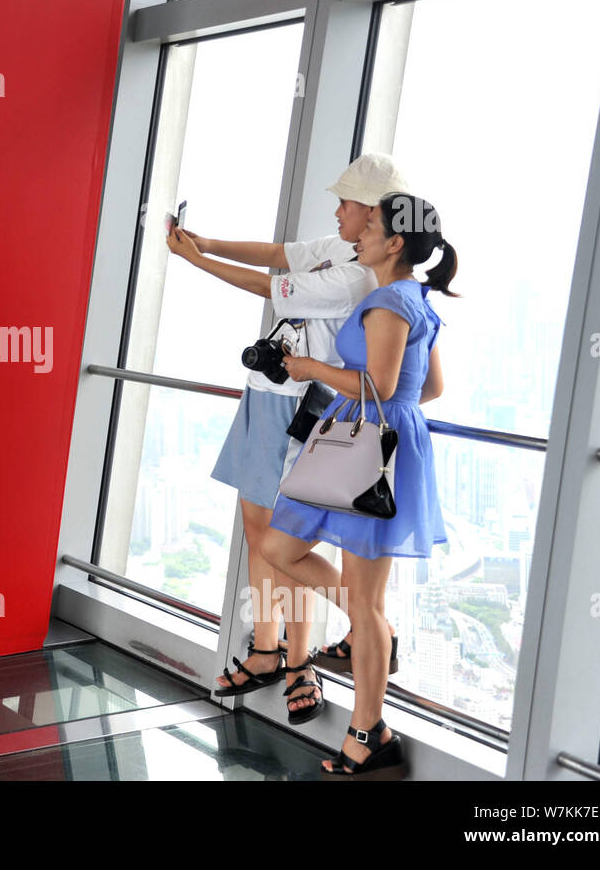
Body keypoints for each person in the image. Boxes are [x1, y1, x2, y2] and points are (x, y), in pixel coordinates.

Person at [165, 154, 406, 723]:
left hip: (305, 407)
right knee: (256, 528)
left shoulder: (360, 273)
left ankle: (303, 661)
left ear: (373, 214)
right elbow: (277, 255)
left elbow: (271, 285)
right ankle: (267, 649)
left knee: (288, 537)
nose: (338, 209)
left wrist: (194, 261)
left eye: (348, 202)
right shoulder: (336, 247)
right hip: (264, 392)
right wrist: (207, 241)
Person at [261, 192, 457, 778]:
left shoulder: (390, 301)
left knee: (365, 602)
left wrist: (311, 370)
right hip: (373, 441)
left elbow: (380, 380)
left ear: (395, 242)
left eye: (369, 225)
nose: (358, 233)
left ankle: (368, 733)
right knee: (280, 547)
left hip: (370, 453)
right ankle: (375, 644)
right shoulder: (409, 297)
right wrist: (386, 409)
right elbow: (429, 389)